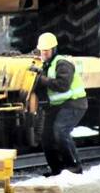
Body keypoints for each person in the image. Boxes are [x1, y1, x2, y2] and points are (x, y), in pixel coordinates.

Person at [30, 32, 88, 175]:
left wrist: (42, 80)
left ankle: (74, 166)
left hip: (74, 103)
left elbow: (63, 85)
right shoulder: (47, 64)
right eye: (42, 51)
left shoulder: (62, 63)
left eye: (47, 51)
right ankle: (57, 169)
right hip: (59, 105)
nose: (44, 54)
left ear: (54, 50)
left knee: (61, 131)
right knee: (47, 135)